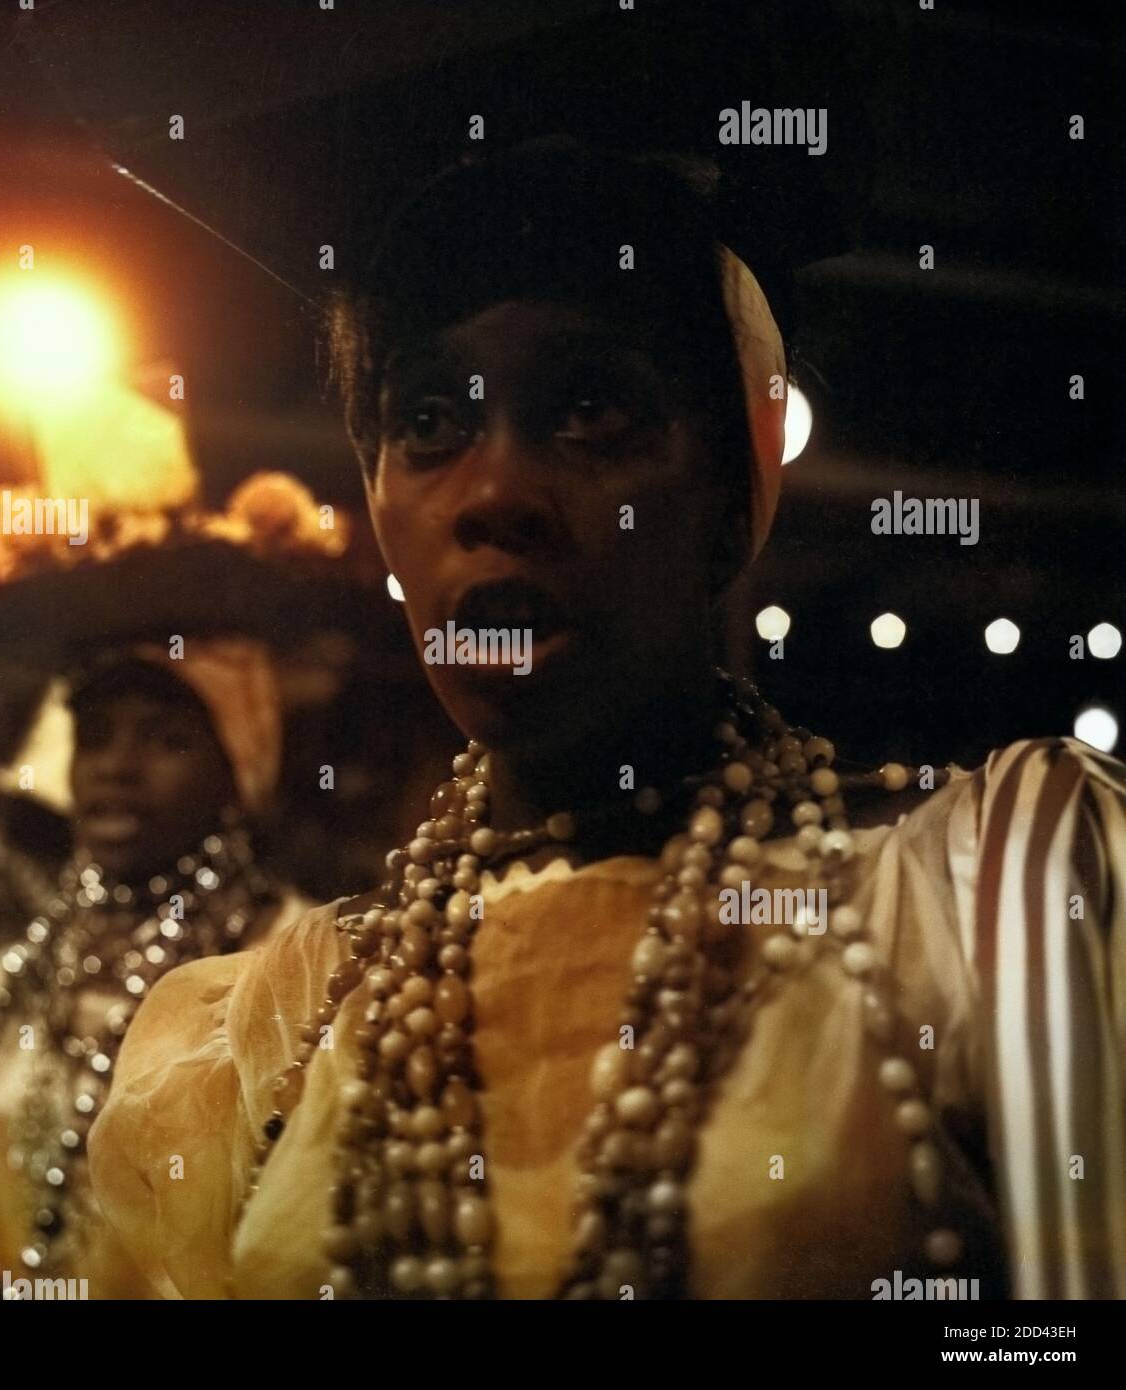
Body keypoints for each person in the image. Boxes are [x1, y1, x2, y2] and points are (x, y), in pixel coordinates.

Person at [88, 140, 1126, 1300]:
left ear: (729, 502)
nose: (492, 495)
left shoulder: (984, 898)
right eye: (427, 418)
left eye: (588, 410)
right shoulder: (255, 1036)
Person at [0, 638, 309, 1299]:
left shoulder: (295, 969)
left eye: (167, 742)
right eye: (95, 738)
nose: (117, 768)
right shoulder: (17, 984)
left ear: (240, 772)